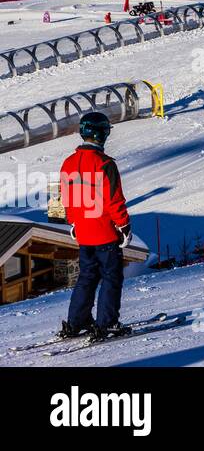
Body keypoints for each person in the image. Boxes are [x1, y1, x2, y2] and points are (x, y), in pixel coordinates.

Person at [59, 112, 133, 342]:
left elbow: (67, 198)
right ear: (101, 134)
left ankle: (77, 322)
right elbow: (114, 200)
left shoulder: (68, 163)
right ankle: (107, 323)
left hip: (83, 231)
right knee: (111, 277)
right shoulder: (105, 164)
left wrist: (73, 222)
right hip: (104, 231)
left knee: (87, 276)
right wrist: (124, 226)